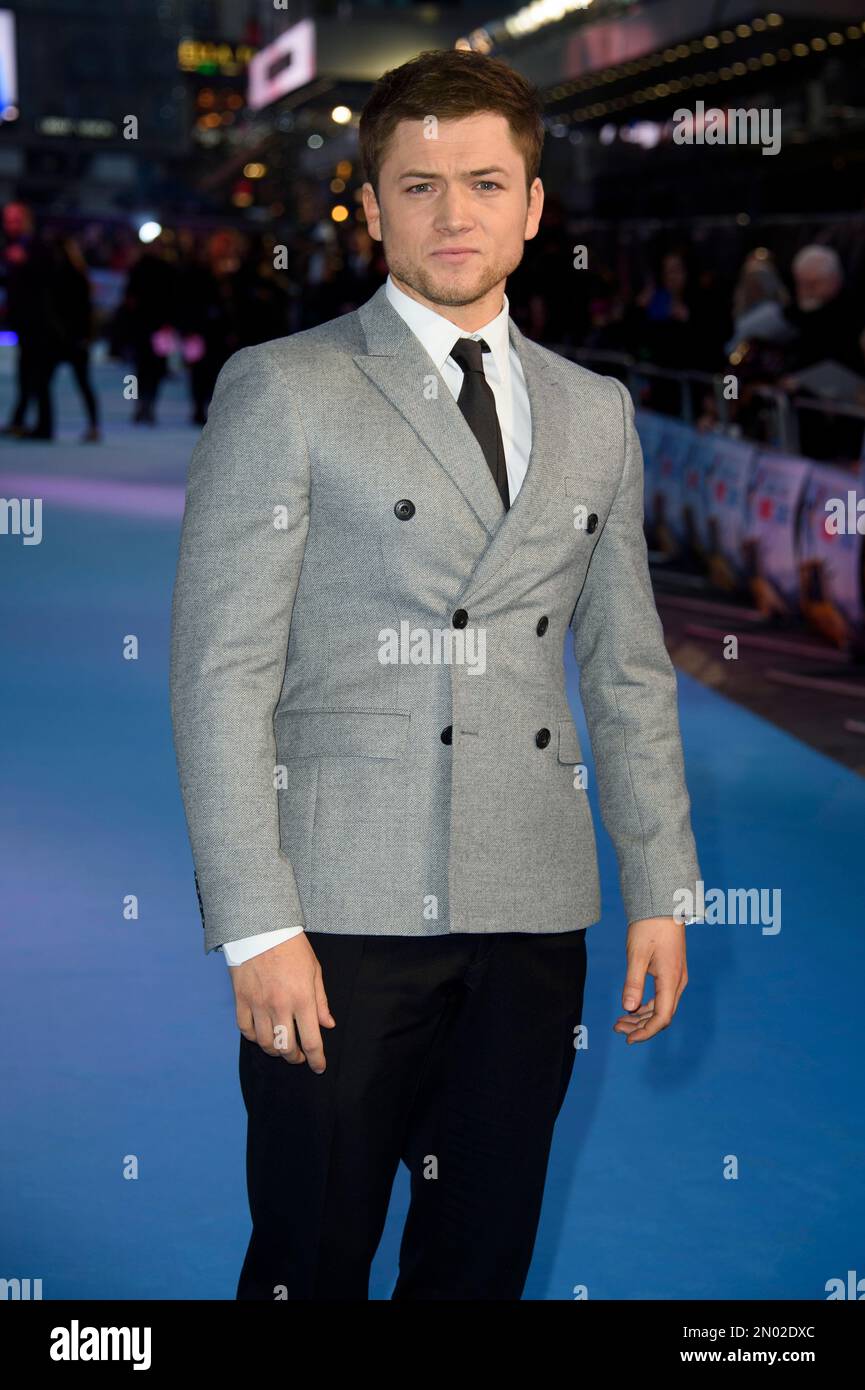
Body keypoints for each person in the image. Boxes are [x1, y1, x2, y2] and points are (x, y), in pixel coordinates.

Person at [169, 47, 701, 1302]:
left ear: (531, 208)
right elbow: (217, 671)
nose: (452, 214)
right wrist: (257, 923)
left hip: (530, 910)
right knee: (310, 1254)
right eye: (418, 185)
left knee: (478, 1262)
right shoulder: (285, 387)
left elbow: (628, 670)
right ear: (371, 203)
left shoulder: (596, 411)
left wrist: (663, 887)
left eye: (482, 183)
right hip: (341, 912)